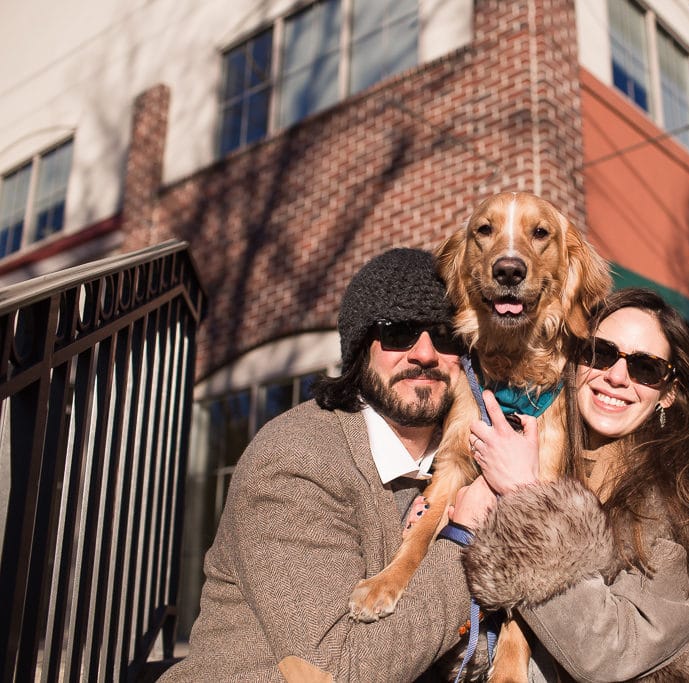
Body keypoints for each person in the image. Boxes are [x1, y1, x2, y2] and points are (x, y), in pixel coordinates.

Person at [162, 248, 490, 682]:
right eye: (398, 332)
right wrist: (465, 537)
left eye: (445, 334)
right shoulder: (296, 459)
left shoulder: (474, 460)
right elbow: (339, 672)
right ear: (359, 350)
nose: (425, 353)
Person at [456, 287, 689, 682]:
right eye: (601, 353)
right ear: (577, 361)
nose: (616, 377)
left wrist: (525, 495)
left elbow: (610, 650)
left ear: (668, 393)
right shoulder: (542, 456)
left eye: (645, 368)